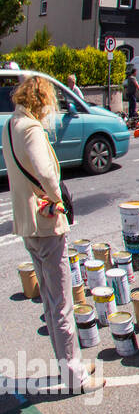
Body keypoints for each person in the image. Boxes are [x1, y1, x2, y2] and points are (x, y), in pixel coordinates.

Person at [3, 76, 104, 394]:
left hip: (26, 224)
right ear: (41, 101)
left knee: (49, 298)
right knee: (61, 302)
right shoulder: (31, 128)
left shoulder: (10, 125)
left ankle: (69, 363)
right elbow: (46, 173)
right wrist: (57, 200)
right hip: (45, 223)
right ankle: (75, 377)